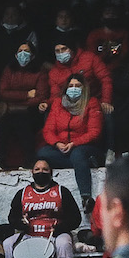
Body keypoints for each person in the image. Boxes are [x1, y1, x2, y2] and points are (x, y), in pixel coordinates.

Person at [38, 74, 103, 210]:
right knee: (43, 153)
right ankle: (83, 164)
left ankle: (86, 197)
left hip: (85, 147)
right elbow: (48, 130)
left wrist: (74, 143)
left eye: (78, 86)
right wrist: (57, 143)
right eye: (71, 86)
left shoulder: (91, 103)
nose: (74, 89)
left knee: (77, 154)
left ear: (84, 88)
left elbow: (94, 132)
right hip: (62, 148)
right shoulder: (57, 103)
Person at [4, 161, 82, 258]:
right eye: (37, 169)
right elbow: (12, 218)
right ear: (32, 172)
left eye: (45, 169)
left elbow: (75, 218)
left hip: (55, 234)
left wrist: (60, 228)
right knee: (7, 243)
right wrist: (21, 223)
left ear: (51, 172)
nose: (41, 172)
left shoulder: (62, 191)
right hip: (29, 235)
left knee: (63, 243)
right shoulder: (22, 193)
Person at [0, 41, 50, 169]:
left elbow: (41, 96)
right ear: (15, 55)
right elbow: (2, 93)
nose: (23, 54)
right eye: (20, 51)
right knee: (3, 124)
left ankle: (29, 161)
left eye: (26, 51)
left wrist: (16, 102)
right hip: (11, 112)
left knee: (22, 122)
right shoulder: (9, 69)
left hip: (31, 112)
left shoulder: (40, 71)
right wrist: (26, 94)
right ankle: (0, 161)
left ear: (32, 55)